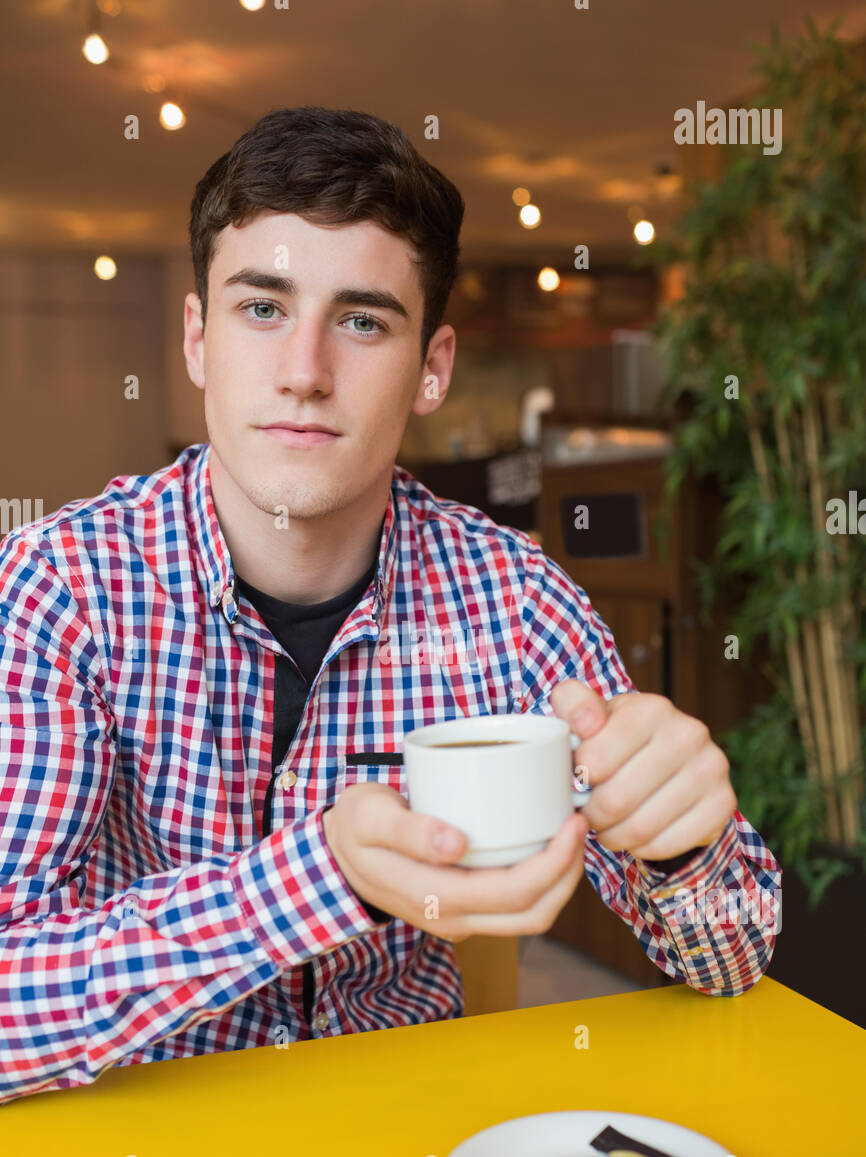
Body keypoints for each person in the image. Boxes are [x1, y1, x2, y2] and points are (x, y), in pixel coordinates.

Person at [0, 107, 780, 1105]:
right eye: (262, 308)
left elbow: (733, 956)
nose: (304, 373)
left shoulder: (511, 598)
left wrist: (677, 836)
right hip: (148, 1151)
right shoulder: (61, 586)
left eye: (362, 320)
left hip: (408, 1150)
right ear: (198, 338)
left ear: (433, 368)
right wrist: (316, 876)